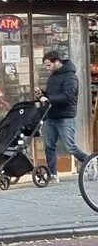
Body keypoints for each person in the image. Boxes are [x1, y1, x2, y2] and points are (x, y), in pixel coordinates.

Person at [34, 51, 95, 183]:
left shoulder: (70, 77)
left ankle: (89, 161)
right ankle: (53, 174)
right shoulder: (52, 77)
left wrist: (48, 98)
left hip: (65, 116)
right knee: (49, 145)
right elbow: (52, 95)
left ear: (57, 62)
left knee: (69, 146)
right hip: (51, 115)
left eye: (49, 65)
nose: (47, 68)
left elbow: (68, 96)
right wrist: (42, 94)